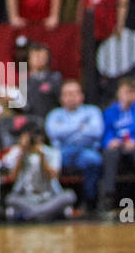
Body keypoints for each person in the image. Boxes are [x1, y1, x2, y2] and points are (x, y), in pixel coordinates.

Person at [44, 79, 103, 210]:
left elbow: (96, 132)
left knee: (94, 160)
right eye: (67, 94)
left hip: (85, 150)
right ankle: (53, 202)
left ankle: (90, 201)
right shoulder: (54, 114)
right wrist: (80, 127)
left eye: (75, 93)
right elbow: (53, 133)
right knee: (49, 162)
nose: (71, 97)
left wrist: (65, 129)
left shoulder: (92, 111)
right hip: (62, 151)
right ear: (61, 98)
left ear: (82, 96)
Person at [99, 78, 135, 212]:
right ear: (118, 93)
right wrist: (110, 141)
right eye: (125, 92)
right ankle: (108, 196)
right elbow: (104, 134)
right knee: (109, 153)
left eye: (132, 92)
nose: (128, 96)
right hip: (116, 146)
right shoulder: (109, 113)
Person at [4, 123, 75, 222]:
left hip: (48, 198)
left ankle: (33, 214)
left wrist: (42, 157)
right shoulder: (19, 152)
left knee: (69, 196)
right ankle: (44, 214)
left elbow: (53, 177)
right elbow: (12, 177)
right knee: (10, 199)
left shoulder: (52, 152)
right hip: (27, 198)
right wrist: (22, 154)